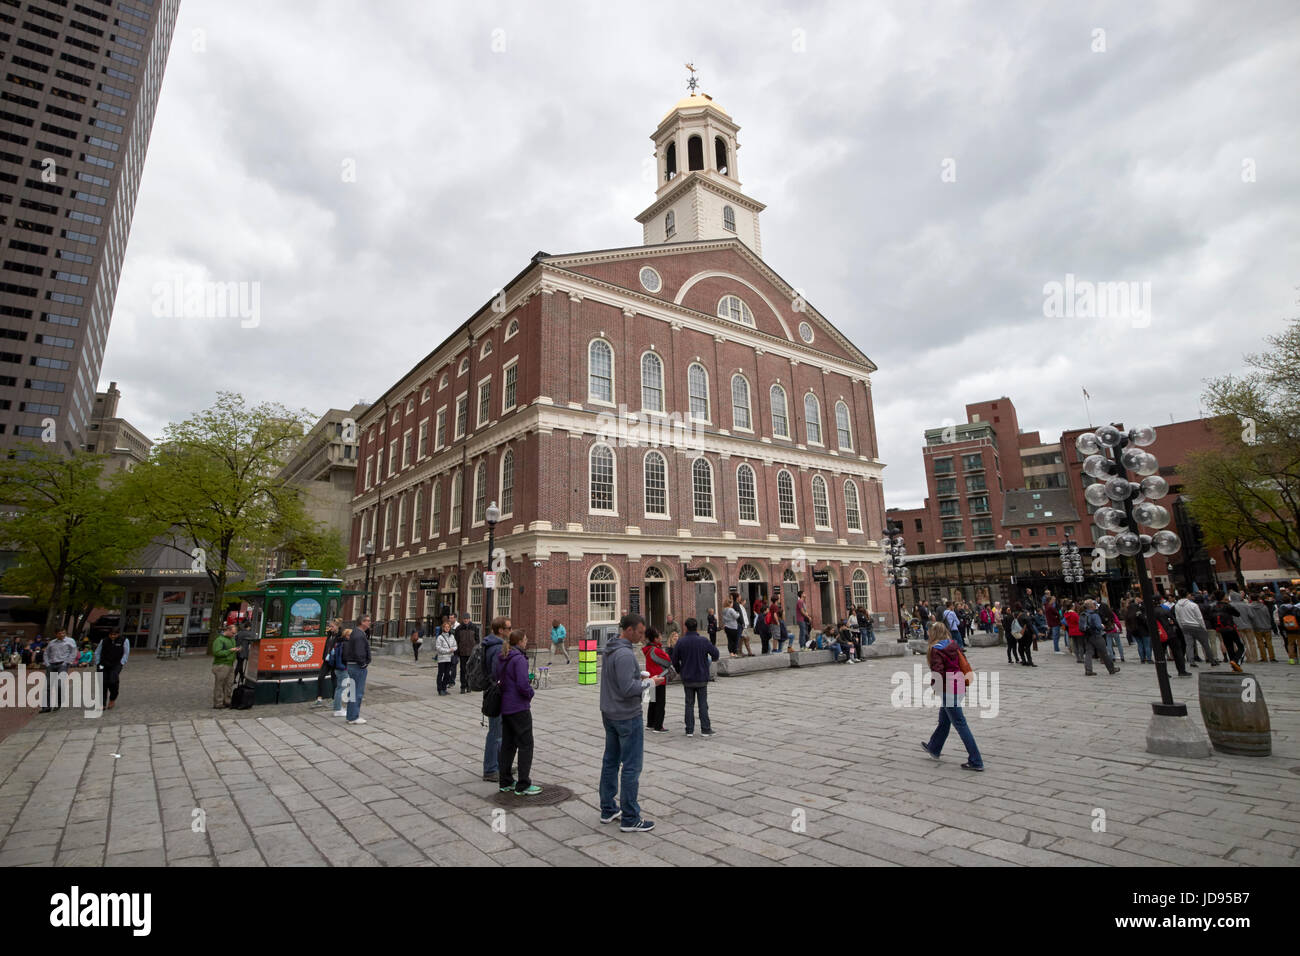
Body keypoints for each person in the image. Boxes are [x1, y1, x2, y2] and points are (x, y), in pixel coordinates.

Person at [599, 612, 663, 833]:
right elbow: (628, 689)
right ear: (629, 630)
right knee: (631, 766)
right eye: (640, 632)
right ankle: (630, 816)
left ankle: (608, 808)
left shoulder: (610, 650)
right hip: (626, 715)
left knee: (610, 761)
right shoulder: (625, 655)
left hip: (610, 711)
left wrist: (639, 679)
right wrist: (650, 683)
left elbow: (619, 682)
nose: (642, 636)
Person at [919, 622, 983, 771]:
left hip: (948, 689)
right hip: (959, 685)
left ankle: (976, 760)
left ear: (934, 633)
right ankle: (934, 748)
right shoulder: (953, 644)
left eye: (929, 631)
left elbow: (938, 671)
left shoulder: (936, 649)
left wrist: (935, 687)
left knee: (960, 724)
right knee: (944, 720)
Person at [495, 629, 540, 795]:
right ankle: (523, 784)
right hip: (519, 707)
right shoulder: (519, 659)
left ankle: (505, 781)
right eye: (525, 639)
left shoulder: (503, 657)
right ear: (520, 641)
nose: (527, 641)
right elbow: (522, 684)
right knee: (526, 744)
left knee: (508, 744)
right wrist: (530, 693)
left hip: (505, 706)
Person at [671, 617, 720, 738]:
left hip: (687, 677)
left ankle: (689, 730)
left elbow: (675, 660)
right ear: (697, 627)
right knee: (703, 704)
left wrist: (679, 670)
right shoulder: (703, 640)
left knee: (689, 704)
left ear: (686, 627)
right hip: (701, 676)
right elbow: (716, 654)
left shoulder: (681, 642)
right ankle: (705, 729)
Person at [481, 617, 509, 782]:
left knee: (500, 731)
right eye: (508, 628)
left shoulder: (488, 644)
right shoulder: (497, 647)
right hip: (497, 694)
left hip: (492, 692)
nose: (510, 631)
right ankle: (491, 768)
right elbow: (497, 672)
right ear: (500, 630)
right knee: (496, 732)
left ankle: (499, 763)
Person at [342, 614, 372, 724]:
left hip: (353, 665)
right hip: (357, 666)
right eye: (367, 621)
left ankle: (351, 715)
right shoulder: (359, 635)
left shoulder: (356, 632)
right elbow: (359, 652)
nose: (369, 622)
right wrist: (363, 664)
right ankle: (353, 717)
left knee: (353, 692)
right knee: (357, 692)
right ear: (362, 622)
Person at [1174, 592, 1217, 667]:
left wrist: (1182, 627)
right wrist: (1203, 627)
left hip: (1185, 626)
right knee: (1205, 644)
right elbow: (1199, 617)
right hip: (1196, 626)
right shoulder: (1193, 605)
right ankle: (1212, 660)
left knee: (1189, 645)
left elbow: (1178, 618)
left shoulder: (1177, 606)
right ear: (1187, 595)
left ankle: (1191, 661)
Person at [642, 627, 672, 733]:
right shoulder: (656, 650)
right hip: (659, 678)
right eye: (659, 636)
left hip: (650, 678)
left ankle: (650, 723)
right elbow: (668, 661)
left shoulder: (647, 649)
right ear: (655, 639)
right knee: (660, 703)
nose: (661, 637)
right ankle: (658, 726)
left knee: (652, 702)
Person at [92, 629, 129, 710]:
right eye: (111, 634)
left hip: (116, 664)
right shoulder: (104, 641)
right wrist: (98, 663)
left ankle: (112, 698)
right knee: (103, 683)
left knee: (113, 681)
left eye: (115, 634)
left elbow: (126, 653)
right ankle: (102, 703)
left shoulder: (124, 640)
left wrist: (122, 662)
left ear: (118, 634)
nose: (112, 636)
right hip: (102, 664)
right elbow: (97, 652)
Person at [1081, 599, 1120, 676]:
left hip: (1087, 635)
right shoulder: (1094, 615)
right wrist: (1102, 626)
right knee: (1104, 653)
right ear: (1092, 606)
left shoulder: (1083, 614)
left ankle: (1088, 670)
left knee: (1088, 653)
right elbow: (1099, 626)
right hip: (1096, 635)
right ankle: (1111, 669)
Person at [1208, 592, 1244, 672]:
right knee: (1241, 646)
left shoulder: (1213, 607)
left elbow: (1210, 618)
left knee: (1229, 647)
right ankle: (1236, 661)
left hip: (1221, 630)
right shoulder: (1227, 605)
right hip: (1230, 628)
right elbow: (1237, 614)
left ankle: (1234, 665)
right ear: (1223, 597)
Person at [211, 624, 238, 710]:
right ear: (228, 630)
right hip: (221, 665)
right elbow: (216, 653)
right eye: (233, 633)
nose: (234, 635)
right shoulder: (219, 640)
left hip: (230, 664)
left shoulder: (232, 639)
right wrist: (229, 651)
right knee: (220, 684)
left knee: (229, 684)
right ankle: (218, 703)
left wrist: (236, 650)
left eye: (235, 634)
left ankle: (227, 701)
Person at [315, 619, 342, 705]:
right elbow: (327, 646)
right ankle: (319, 698)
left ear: (337, 626)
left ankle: (334, 699)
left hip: (334, 660)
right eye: (330, 626)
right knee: (320, 677)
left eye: (332, 626)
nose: (330, 628)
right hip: (327, 659)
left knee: (334, 679)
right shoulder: (330, 634)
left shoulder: (340, 636)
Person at [1246, 594, 1277, 662]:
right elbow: (1268, 616)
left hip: (1257, 627)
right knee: (1269, 643)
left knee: (1260, 643)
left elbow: (1250, 617)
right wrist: (1269, 624)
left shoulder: (1249, 607)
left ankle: (1264, 657)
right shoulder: (1264, 606)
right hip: (1266, 626)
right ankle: (1272, 657)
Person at [1124, 599, 1152, 664]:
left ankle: (1142, 659)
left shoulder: (1128, 614)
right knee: (1147, 645)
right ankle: (1149, 659)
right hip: (1143, 631)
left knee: (1140, 645)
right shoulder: (1138, 614)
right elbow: (1144, 621)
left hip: (1134, 631)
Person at [1277, 592, 1300, 664]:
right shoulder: (1295, 608)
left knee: (1290, 644)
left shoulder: (1280, 609)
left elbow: (1280, 620)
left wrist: (1283, 629)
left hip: (1288, 628)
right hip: (1297, 628)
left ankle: (1291, 659)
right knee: (1299, 644)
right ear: (1290, 600)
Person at [435, 623, 456, 695]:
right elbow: (438, 648)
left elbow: (455, 646)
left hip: (449, 658)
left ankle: (444, 688)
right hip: (442, 659)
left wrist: (454, 649)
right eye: (445, 627)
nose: (447, 628)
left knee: (447, 674)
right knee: (440, 674)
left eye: (448, 627)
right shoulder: (440, 637)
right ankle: (439, 689)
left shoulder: (452, 636)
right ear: (443, 628)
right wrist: (448, 651)